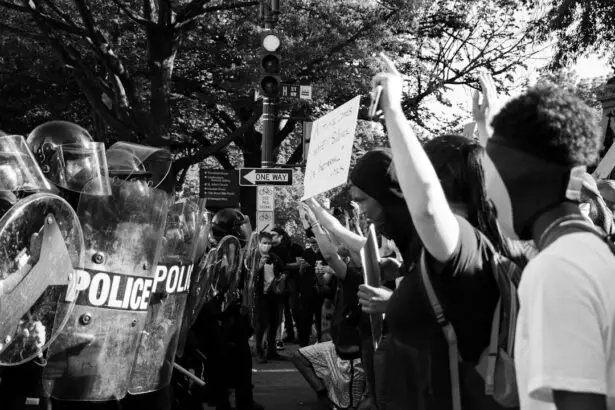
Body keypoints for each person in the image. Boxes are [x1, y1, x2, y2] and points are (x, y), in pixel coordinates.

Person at [354, 53, 523, 410]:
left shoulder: (463, 242)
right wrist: (486, 128)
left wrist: (394, 112)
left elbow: (428, 208)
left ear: (439, 178)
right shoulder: (493, 236)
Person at [483, 82, 615, 410]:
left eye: (488, 175)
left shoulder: (556, 269)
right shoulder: (587, 250)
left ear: (519, 177)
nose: (486, 195)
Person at [253, 231, 286, 362]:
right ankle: (259, 352)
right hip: (260, 295)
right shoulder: (253, 257)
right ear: (259, 243)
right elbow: (249, 275)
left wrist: (282, 277)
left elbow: (283, 270)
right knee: (261, 324)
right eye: (264, 243)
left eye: (269, 243)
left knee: (274, 322)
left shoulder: (275, 258)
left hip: (273, 295)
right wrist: (259, 266)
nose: (267, 246)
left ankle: (272, 351)